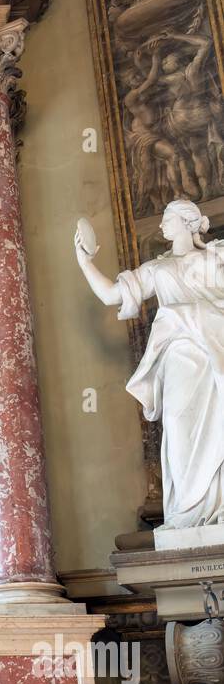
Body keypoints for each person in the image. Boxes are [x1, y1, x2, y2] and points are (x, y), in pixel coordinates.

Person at [75, 198, 224, 532]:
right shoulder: (156, 269)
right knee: (178, 428)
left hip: (217, 353)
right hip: (179, 357)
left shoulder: (217, 259)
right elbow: (112, 295)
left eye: (168, 218)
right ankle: (187, 515)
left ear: (187, 222)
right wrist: (85, 262)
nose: (161, 225)